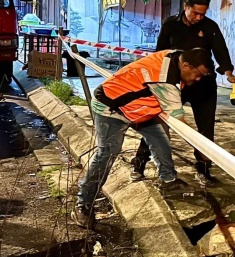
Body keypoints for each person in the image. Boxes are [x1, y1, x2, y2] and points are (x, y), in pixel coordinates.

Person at [73, 48, 214, 228]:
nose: (197, 79)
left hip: (138, 108)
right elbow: (181, 125)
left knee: (160, 139)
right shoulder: (165, 79)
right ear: (185, 65)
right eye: (197, 74)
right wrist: (202, 150)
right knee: (107, 154)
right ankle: (83, 204)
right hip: (111, 108)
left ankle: (168, 180)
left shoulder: (175, 55)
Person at [131, 0, 235, 185]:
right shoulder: (171, 25)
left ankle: (204, 169)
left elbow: (221, 51)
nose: (199, 17)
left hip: (202, 84)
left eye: (203, 14)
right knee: (156, 123)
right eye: (195, 13)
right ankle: (139, 162)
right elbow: (160, 53)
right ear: (186, 7)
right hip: (173, 84)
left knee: (206, 127)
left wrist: (229, 73)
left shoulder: (210, 26)